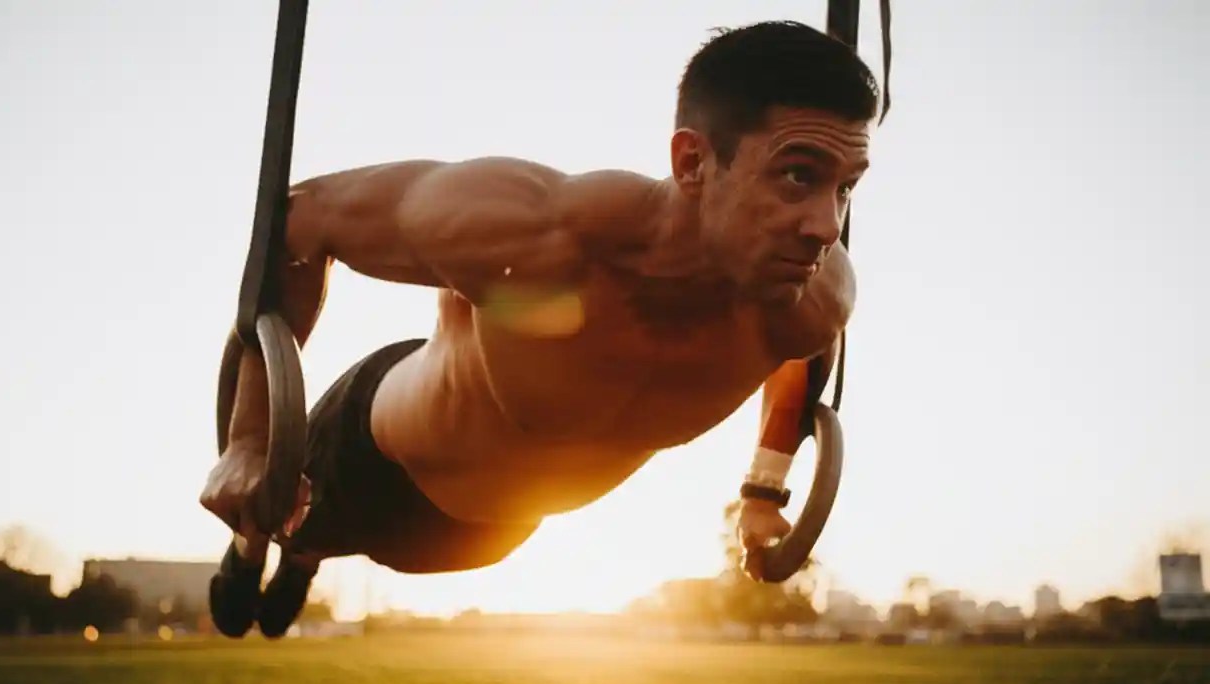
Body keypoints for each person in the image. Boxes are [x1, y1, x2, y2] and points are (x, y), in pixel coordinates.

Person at [199, 20, 880, 639]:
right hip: (373, 461)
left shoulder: (811, 295)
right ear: (693, 163)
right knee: (294, 522)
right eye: (797, 176)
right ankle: (259, 557)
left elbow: (805, 351)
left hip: (501, 531)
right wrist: (252, 437)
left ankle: (297, 556)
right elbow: (305, 218)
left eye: (845, 186)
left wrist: (765, 488)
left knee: (314, 537)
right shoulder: (539, 237)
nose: (826, 226)